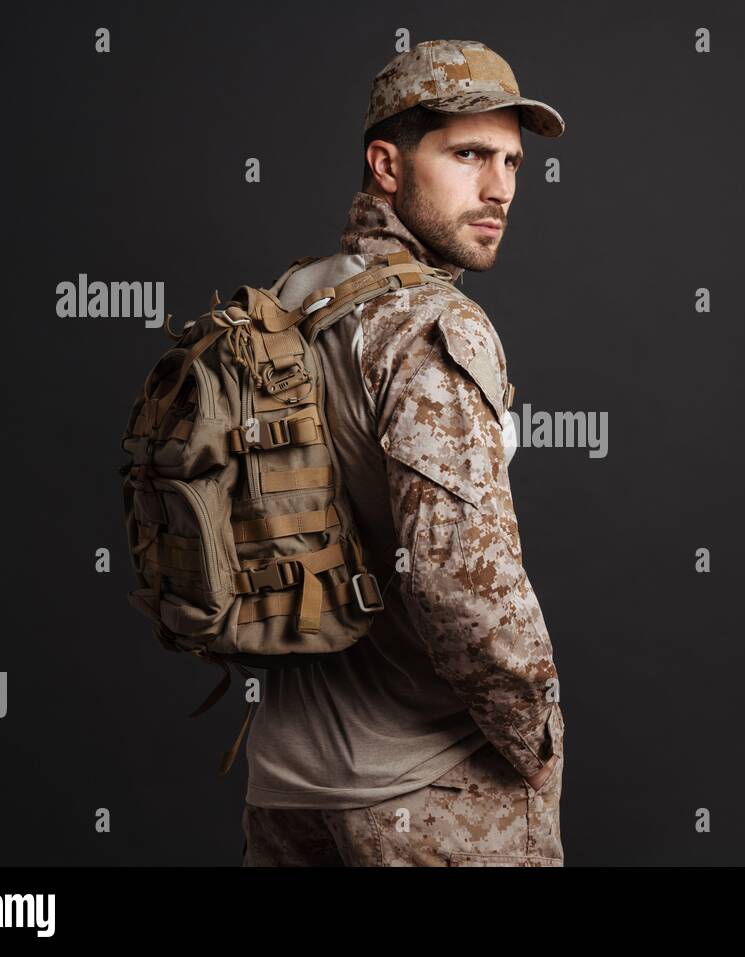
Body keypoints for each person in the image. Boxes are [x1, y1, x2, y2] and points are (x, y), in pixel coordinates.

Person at [240, 39, 567, 866]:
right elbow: (463, 585)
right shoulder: (433, 327)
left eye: (511, 162)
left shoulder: (290, 299)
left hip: (287, 783)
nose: (499, 190)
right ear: (385, 165)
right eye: (467, 156)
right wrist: (539, 738)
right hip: (429, 797)